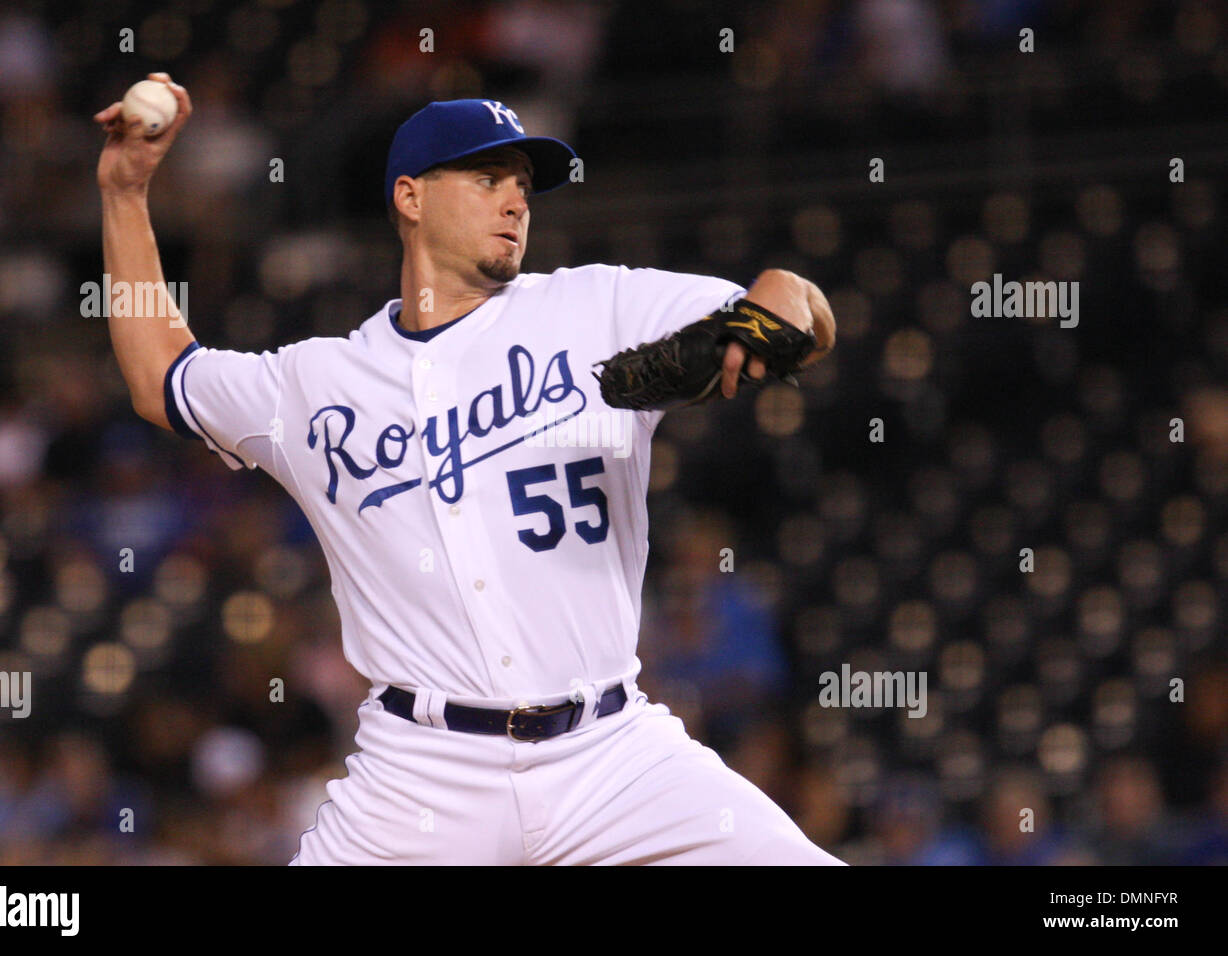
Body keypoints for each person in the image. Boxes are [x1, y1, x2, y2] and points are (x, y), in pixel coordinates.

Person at [96, 75, 841, 864]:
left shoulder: (596, 309)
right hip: (423, 774)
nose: (516, 201)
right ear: (410, 198)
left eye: (524, 185)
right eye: (488, 180)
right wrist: (124, 191)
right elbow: (160, 376)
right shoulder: (314, 385)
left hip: (614, 758)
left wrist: (780, 317)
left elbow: (798, 304)